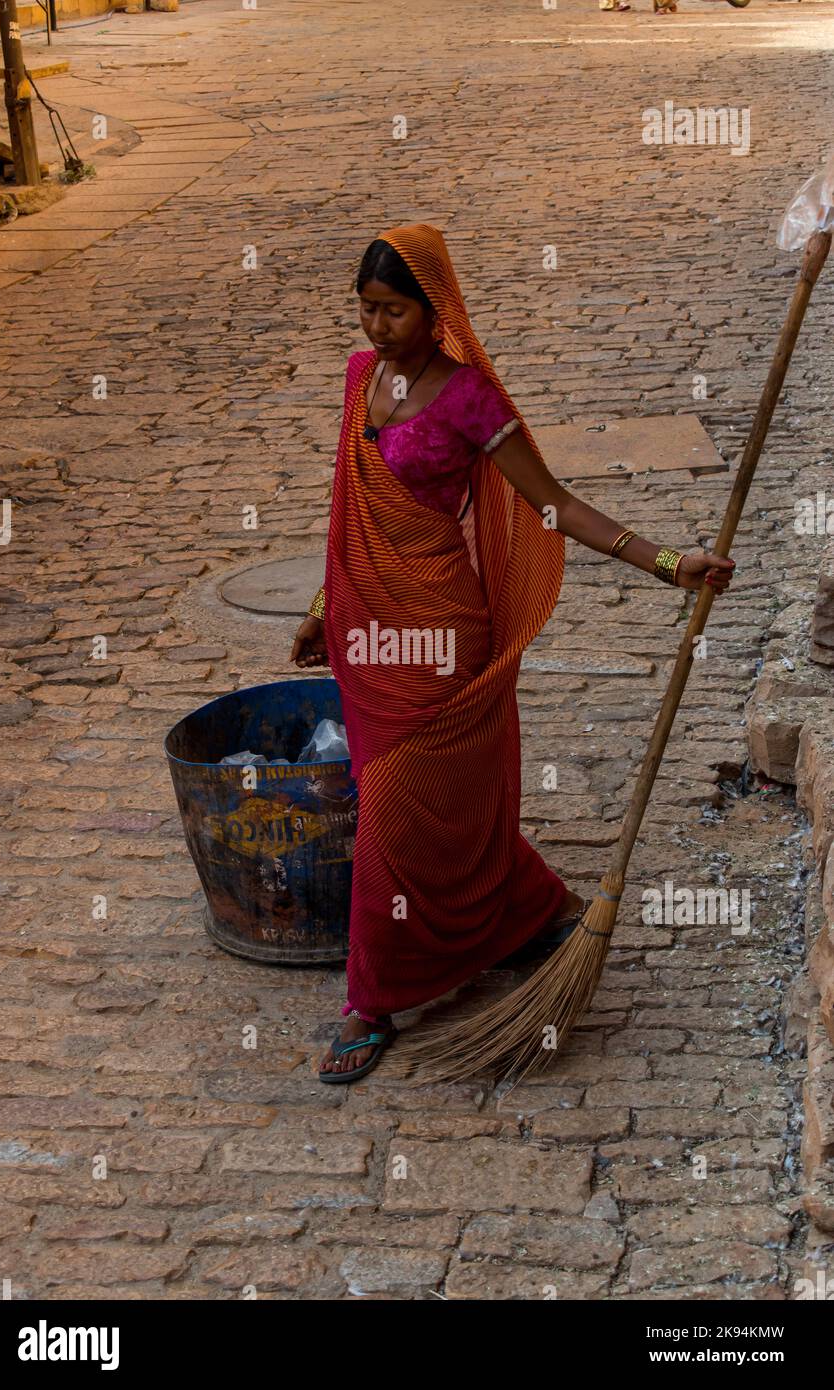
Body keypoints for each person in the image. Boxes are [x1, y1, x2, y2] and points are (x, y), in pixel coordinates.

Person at [289, 224, 734, 1083]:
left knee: (391, 809)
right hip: (370, 630)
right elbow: (347, 512)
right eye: (366, 309)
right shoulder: (359, 380)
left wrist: (671, 562)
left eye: (393, 310)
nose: (377, 327)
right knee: (425, 805)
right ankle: (527, 908)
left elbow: (555, 507)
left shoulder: (468, 400)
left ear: (434, 307)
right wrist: (322, 603)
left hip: (442, 633)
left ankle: (370, 999)